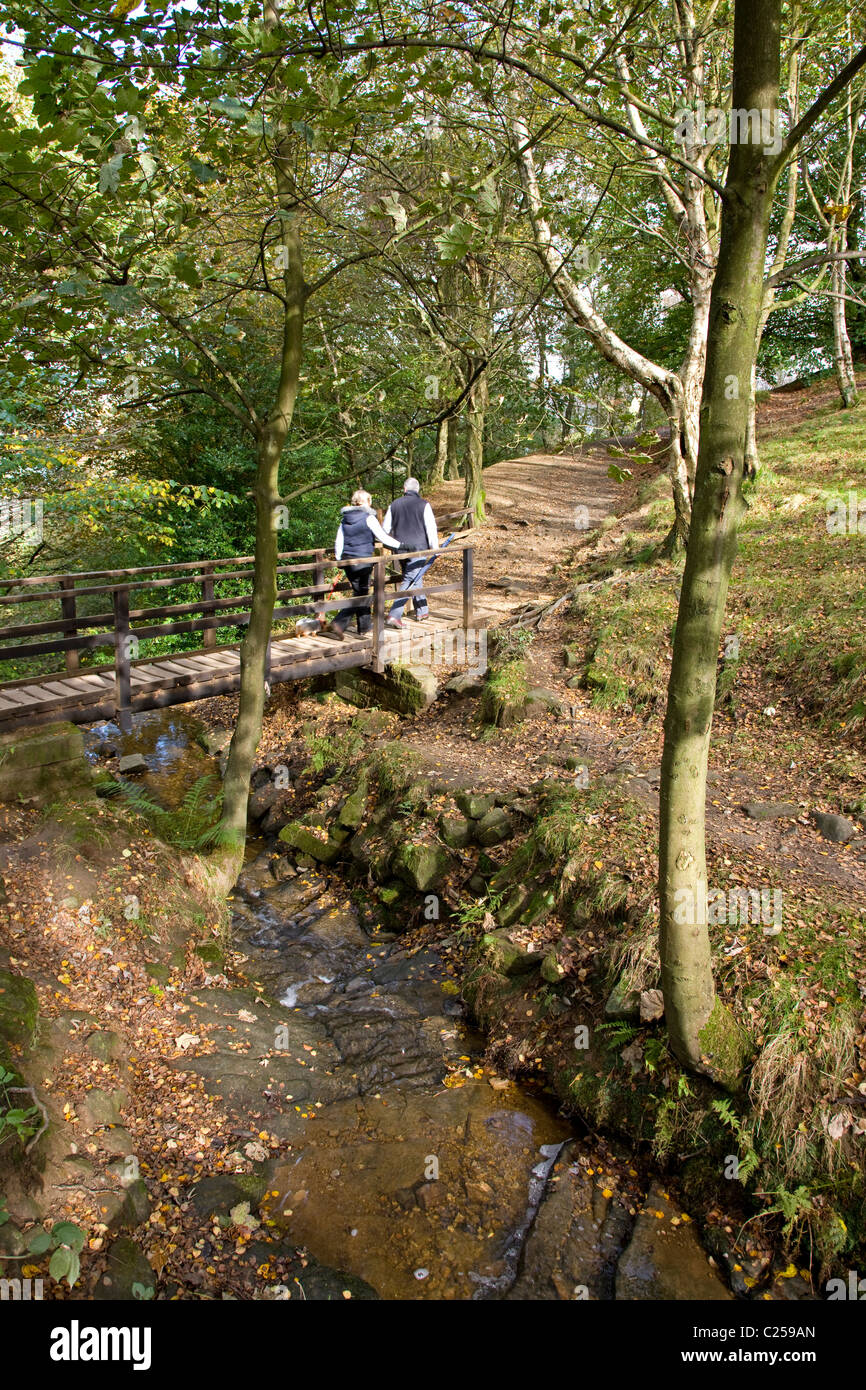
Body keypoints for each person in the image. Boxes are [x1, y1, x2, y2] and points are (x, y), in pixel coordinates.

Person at [322, 489, 400, 640]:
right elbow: (382, 537)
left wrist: (339, 558)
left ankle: (364, 627)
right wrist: (401, 545)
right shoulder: (368, 518)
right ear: (367, 502)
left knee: (360, 591)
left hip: (348, 561)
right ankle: (337, 624)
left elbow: (339, 540)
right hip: (363, 561)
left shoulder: (345, 519)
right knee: (361, 593)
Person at [382, 478, 439, 628]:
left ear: (404, 489)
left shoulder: (393, 505)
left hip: (400, 549)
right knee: (411, 579)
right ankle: (394, 615)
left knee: (414, 577)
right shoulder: (424, 505)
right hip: (418, 549)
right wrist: (435, 548)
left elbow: (385, 529)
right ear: (418, 490)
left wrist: (393, 544)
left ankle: (422, 610)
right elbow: (430, 528)